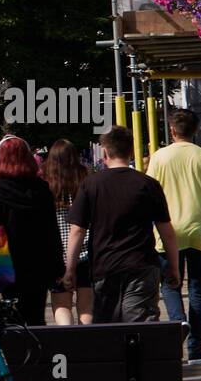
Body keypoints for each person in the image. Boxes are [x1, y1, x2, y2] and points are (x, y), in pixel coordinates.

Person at [65, 126, 180, 323]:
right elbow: (167, 232)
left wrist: (70, 268)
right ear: (132, 151)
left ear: (105, 153)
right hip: (141, 265)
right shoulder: (147, 184)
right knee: (140, 327)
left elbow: (77, 231)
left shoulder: (91, 184)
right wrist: (174, 267)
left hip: (104, 266)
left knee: (107, 331)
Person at [147, 110, 201, 364]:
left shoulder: (159, 157)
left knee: (170, 284)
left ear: (172, 130)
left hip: (166, 229)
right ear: (196, 130)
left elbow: (150, 195)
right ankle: (196, 348)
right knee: (200, 287)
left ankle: (178, 326)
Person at [0, 137, 64, 325]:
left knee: (10, 316)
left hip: (6, 265)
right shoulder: (42, 190)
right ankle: (37, 351)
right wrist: (58, 266)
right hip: (39, 265)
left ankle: (15, 352)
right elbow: (52, 230)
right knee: (36, 316)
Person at [43, 139, 93, 326]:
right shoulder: (86, 180)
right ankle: (87, 342)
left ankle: (69, 341)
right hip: (86, 251)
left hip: (57, 255)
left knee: (62, 305)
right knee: (87, 306)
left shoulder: (46, 184)